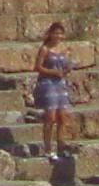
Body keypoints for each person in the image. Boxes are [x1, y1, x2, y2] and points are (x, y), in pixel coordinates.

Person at [32, 21, 76, 162]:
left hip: (60, 84)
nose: (58, 36)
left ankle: (61, 146)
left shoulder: (65, 49)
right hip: (48, 83)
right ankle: (48, 148)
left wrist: (68, 67)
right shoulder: (45, 49)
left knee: (62, 116)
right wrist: (53, 72)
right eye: (55, 33)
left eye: (60, 33)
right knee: (50, 116)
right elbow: (38, 67)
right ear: (50, 34)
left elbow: (65, 65)